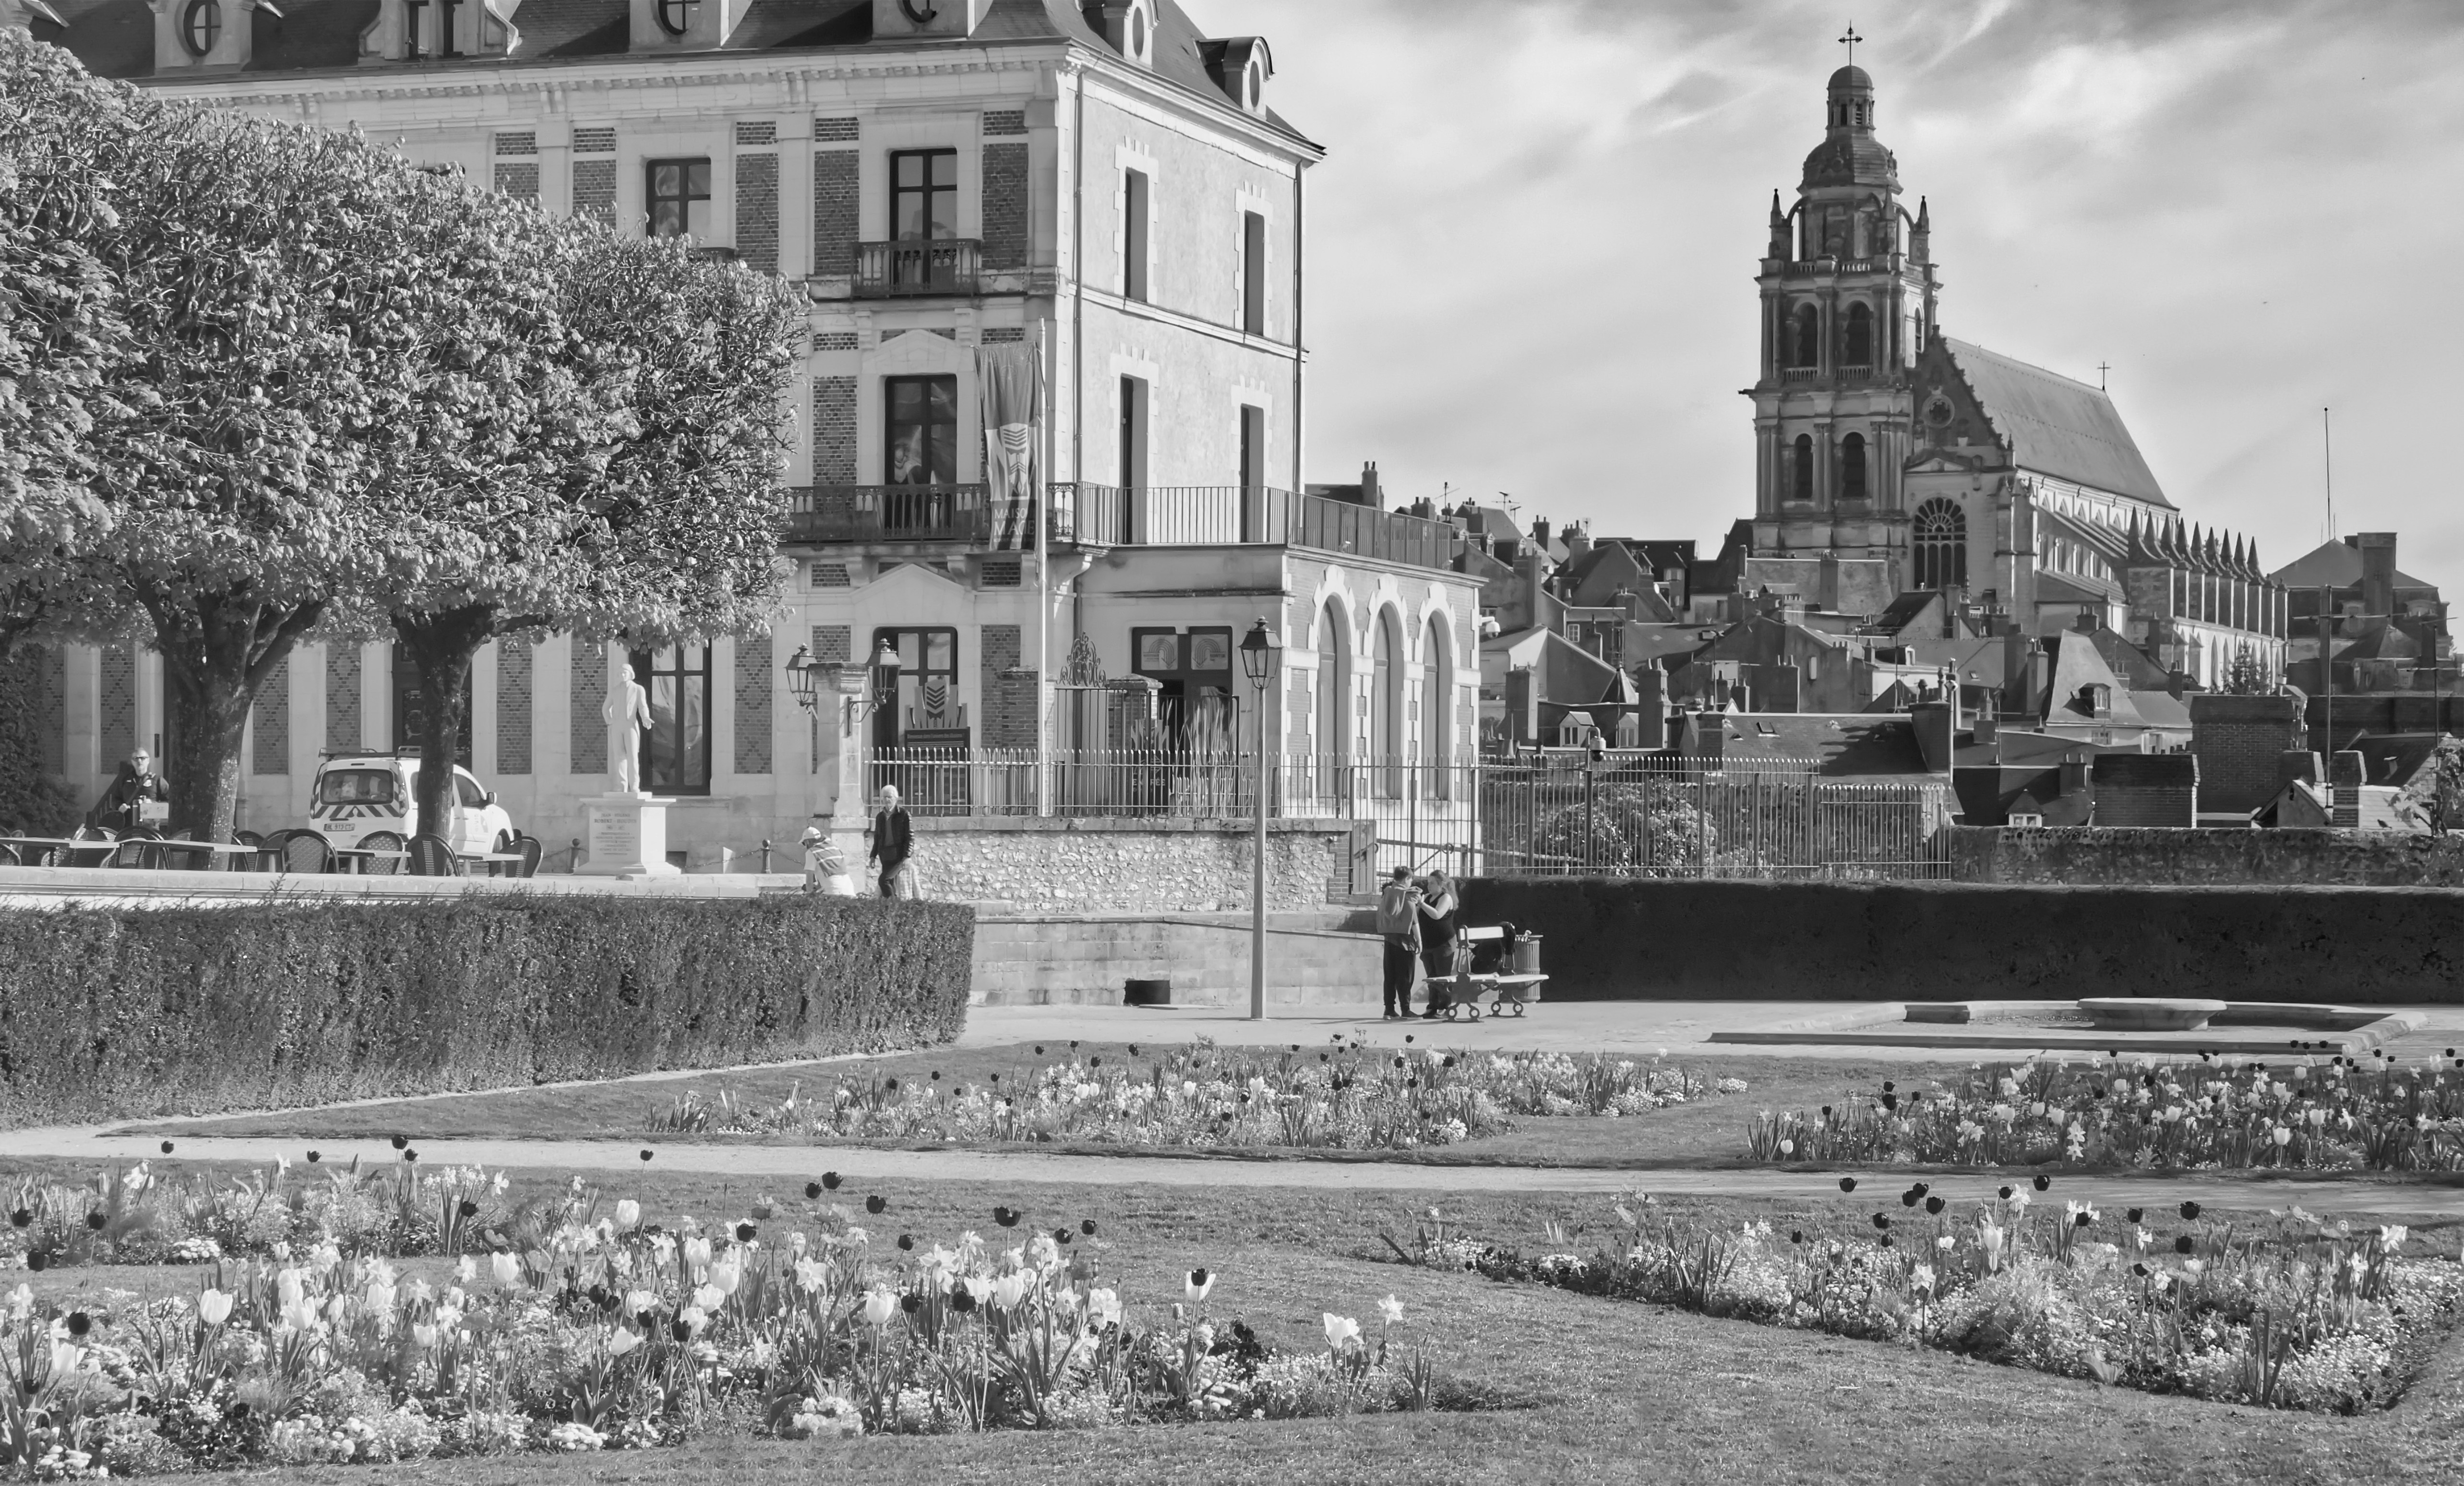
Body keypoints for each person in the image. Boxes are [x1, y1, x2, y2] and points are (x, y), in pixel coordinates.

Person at [1374, 865, 1422, 1020]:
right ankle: (1406, 1010)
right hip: (1405, 941)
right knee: (1406, 977)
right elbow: (1414, 920)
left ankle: (1389, 1009)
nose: (1411, 882)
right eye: (1411, 879)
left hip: (1389, 939)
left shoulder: (1388, 893)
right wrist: (1419, 941)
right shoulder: (1408, 896)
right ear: (1407, 878)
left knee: (1390, 977)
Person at [1415, 868, 1460, 1020]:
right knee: (1432, 978)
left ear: (1441, 884)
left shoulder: (1446, 898)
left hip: (1444, 943)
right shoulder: (1427, 897)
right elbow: (1415, 916)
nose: (1429, 886)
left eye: (1432, 883)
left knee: (1443, 977)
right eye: (1428, 883)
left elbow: (1437, 915)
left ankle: (1445, 1007)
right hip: (1428, 944)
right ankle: (1432, 1007)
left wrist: (1421, 904)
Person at [95, 748, 167, 834]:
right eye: (136, 759)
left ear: (148, 760)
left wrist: (153, 806)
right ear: (132, 762)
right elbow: (115, 798)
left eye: (143, 758)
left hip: (150, 829)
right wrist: (119, 807)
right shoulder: (125, 780)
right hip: (128, 827)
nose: (139, 761)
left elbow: (169, 803)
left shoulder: (158, 780)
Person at [869, 786, 915, 899]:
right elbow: (877, 837)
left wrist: (907, 856)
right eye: (884, 797)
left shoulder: (904, 814)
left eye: (889, 797)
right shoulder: (880, 816)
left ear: (896, 798)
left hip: (898, 855)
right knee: (891, 883)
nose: (887, 800)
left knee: (884, 880)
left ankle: (892, 905)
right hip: (885, 854)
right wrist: (873, 856)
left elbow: (910, 837)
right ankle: (893, 908)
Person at [802, 825, 856, 897]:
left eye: (804, 844)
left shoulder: (812, 852)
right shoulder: (835, 849)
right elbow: (832, 876)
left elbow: (809, 881)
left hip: (832, 893)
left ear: (808, 842)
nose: (805, 846)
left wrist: (808, 896)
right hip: (850, 891)